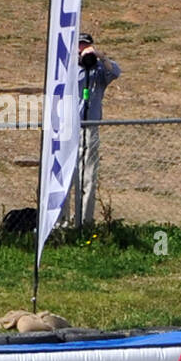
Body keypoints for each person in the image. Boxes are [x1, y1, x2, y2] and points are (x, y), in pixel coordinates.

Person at [68, 32, 121, 227]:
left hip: (90, 127)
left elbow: (115, 72)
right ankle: (63, 221)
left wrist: (100, 56)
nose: (84, 49)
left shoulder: (99, 70)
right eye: (80, 46)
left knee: (88, 175)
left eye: (86, 45)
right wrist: (77, 60)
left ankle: (85, 220)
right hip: (70, 128)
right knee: (67, 175)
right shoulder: (71, 67)